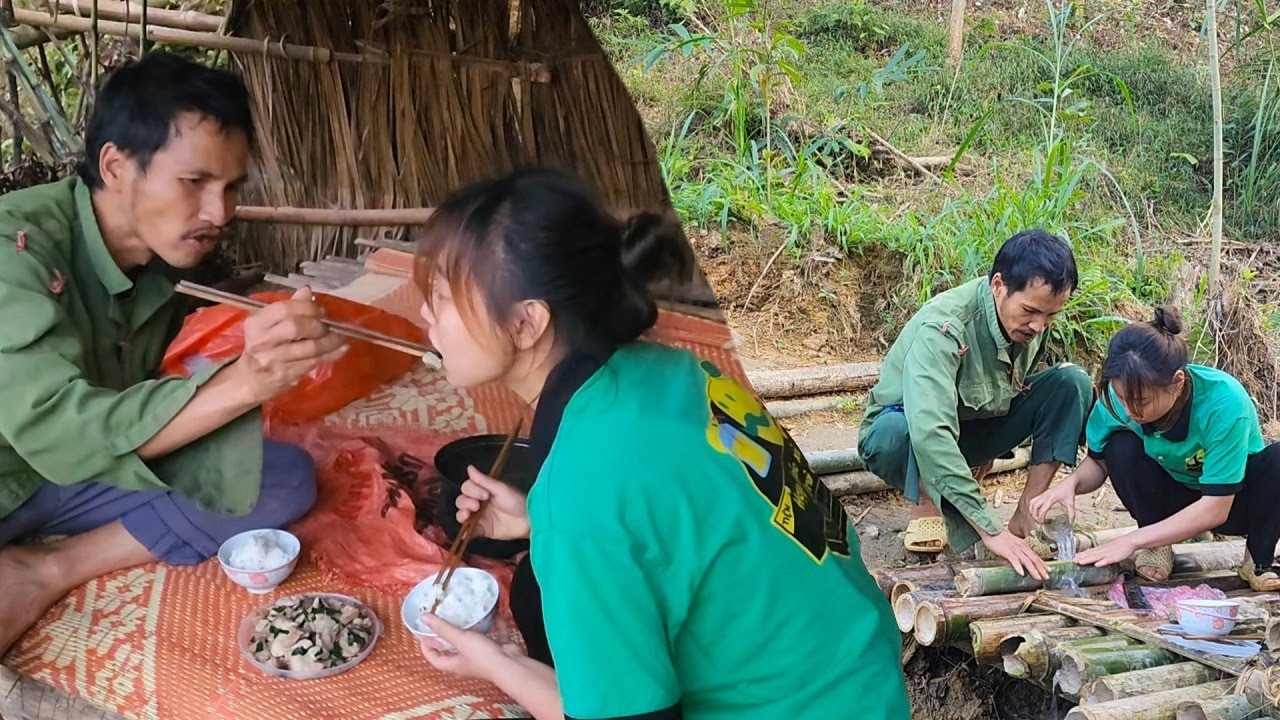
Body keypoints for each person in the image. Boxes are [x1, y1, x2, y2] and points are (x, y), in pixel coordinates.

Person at [409, 168, 910, 720]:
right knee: (536, 588)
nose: (425, 315)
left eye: (442, 297)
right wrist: (537, 520)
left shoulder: (583, 493)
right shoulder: (677, 370)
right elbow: (686, 515)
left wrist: (497, 664)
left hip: (795, 706)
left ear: (527, 322)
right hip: (860, 675)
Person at [0, 53, 345, 655]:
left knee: (278, 479)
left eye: (231, 187)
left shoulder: (162, 263)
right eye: (194, 183)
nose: (220, 213)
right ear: (114, 165)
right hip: (36, 462)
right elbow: (60, 432)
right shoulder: (15, 252)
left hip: (59, 478)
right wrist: (243, 381)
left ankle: (46, 570)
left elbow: (118, 413)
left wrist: (246, 378)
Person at [859, 229, 1094, 580]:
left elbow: (1009, 389)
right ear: (998, 284)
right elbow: (932, 433)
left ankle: (1026, 519)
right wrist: (989, 529)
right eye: (1030, 311)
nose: (1039, 326)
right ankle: (926, 502)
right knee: (896, 432)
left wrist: (987, 460)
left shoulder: (1031, 325)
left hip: (970, 428)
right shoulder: (943, 328)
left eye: (1050, 316)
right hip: (907, 436)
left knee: (1070, 382)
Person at [1029, 308, 1280, 591]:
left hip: (1234, 501)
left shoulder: (1224, 403)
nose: (1129, 410)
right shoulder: (1119, 398)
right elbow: (1099, 464)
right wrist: (1071, 484)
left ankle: (1258, 559)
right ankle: (1158, 546)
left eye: (1141, 401)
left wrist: (1132, 540)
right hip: (1174, 495)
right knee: (1120, 447)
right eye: (1122, 398)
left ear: (1177, 382)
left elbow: (1215, 509)